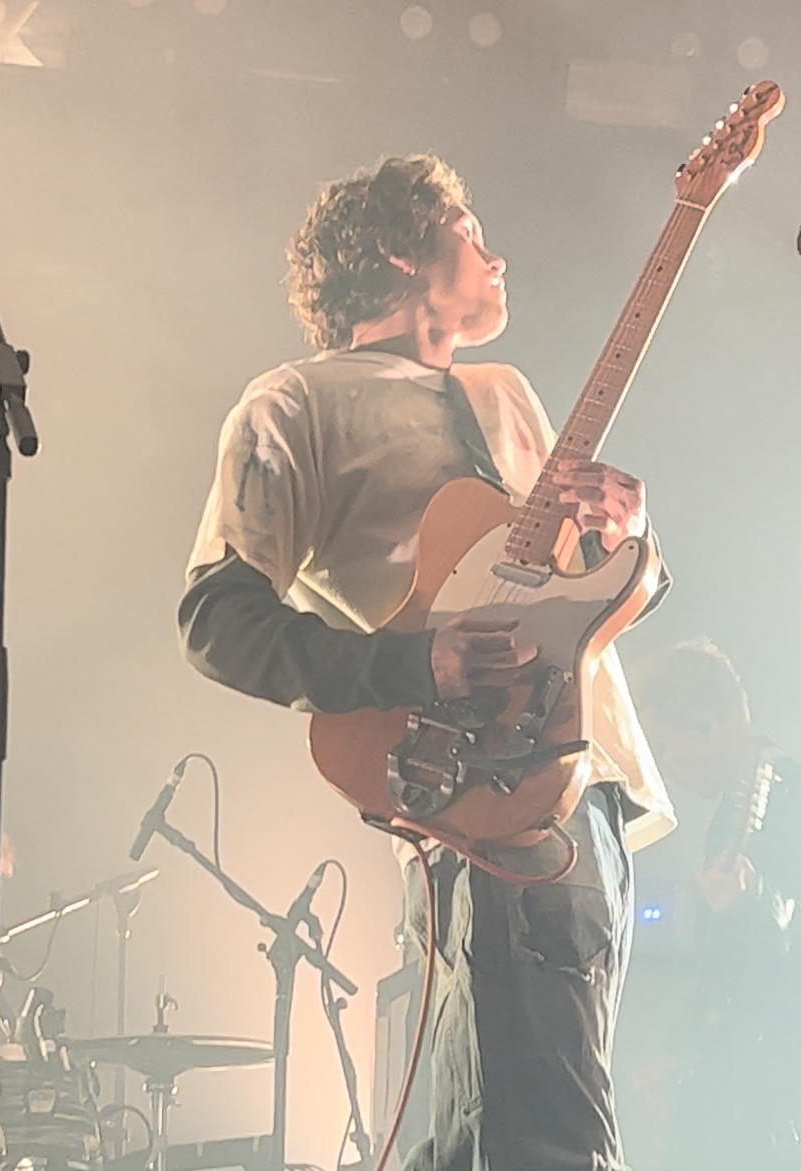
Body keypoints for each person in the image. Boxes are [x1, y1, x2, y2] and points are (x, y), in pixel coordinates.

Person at [177, 155, 675, 1171]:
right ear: (402, 250)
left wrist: (628, 536)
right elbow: (217, 616)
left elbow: (595, 602)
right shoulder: (293, 405)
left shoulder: (509, 394)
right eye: (468, 225)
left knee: (524, 1120)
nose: (497, 254)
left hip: (593, 789)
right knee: (537, 1135)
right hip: (473, 791)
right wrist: (414, 663)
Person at [616, 639, 801, 1171]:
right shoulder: (724, 820)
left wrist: (760, 901)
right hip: (733, 1095)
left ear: (709, 723)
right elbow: (729, 968)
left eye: (666, 749)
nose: (666, 771)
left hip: (792, 1099)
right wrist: (679, 1050)